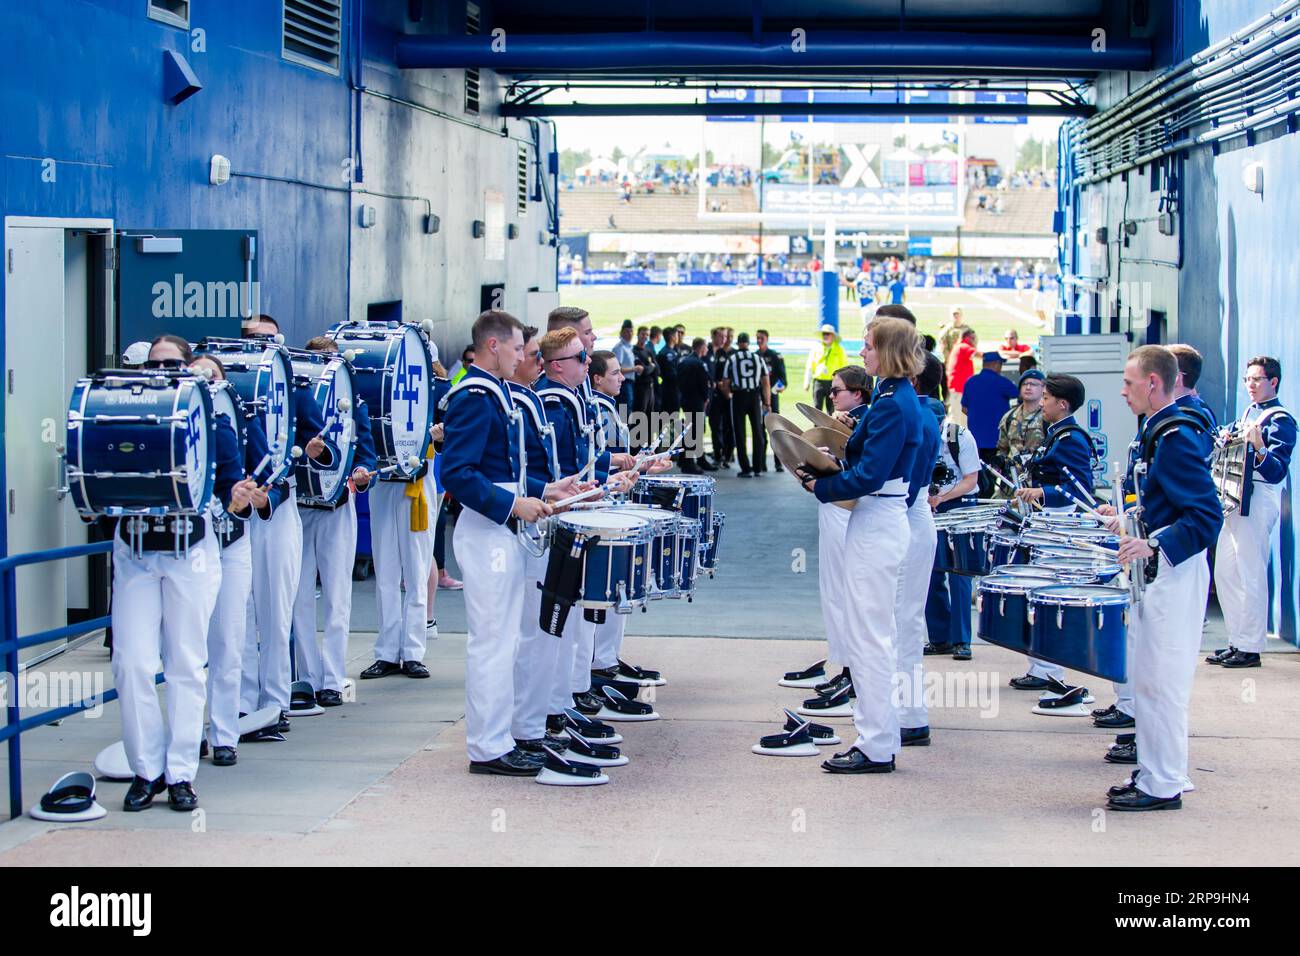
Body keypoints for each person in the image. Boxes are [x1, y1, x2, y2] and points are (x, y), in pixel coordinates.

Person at [113, 336, 253, 811]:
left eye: (172, 362)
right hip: (135, 546)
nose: (163, 369)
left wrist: (235, 495)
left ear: (188, 365)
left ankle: (180, 773)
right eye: (155, 363)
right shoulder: (124, 410)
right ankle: (145, 768)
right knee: (131, 662)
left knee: (186, 662)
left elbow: (230, 476)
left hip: (190, 546)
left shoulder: (211, 414)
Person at [441, 311, 575, 776]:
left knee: (505, 641)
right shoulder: (474, 395)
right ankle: (487, 747)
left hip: (499, 525)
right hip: (486, 529)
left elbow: (505, 470)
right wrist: (513, 505)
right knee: (492, 643)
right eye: (518, 348)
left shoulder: (493, 393)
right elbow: (456, 473)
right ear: (493, 346)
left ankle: (500, 737)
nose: (524, 357)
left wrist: (543, 490)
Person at [1101, 346, 1222, 811]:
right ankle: (1153, 771)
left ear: (1154, 383)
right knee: (1150, 678)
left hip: (1176, 571)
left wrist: (1154, 543)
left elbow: (1206, 515)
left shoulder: (1176, 436)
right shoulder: (1158, 431)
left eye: (1129, 383)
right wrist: (1132, 519)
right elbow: (1164, 501)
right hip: (1162, 570)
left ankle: (1165, 782)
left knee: (1162, 682)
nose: (1123, 391)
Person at [804, 318, 923, 774]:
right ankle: (878, 736)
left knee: (869, 636)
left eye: (870, 346)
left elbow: (871, 474)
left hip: (877, 515)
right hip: (876, 515)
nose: (863, 351)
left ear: (888, 352)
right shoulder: (892, 397)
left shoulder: (893, 404)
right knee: (869, 632)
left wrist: (822, 486)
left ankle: (875, 744)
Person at [240, 315, 336, 734]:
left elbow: (322, 441)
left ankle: (274, 703)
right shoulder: (230, 386)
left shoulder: (293, 384)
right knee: (238, 614)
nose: (258, 344)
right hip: (237, 509)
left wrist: (316, 449)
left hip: (278, 508)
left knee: (277, 610)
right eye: (249, 338)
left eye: (266, 338)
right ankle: (242, 705)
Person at [537, 328, 638, 715]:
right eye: (583, 353)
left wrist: (606, 479)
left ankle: (569, 697)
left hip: (573, 509)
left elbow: (579, 463)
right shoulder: (552, 402)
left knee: (574, 622)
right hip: (553, 520)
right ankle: (552, 711)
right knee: (551, 628)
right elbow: (556, 467)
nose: (589, 355)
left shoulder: (570, 401)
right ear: (560, 365)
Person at [506, 325, 587, 754]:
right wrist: (540, 493)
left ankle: (549, 711)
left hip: (542, 514)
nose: (588, 361)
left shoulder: (528, 400)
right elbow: (493, 472)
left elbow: (561, 466)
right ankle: (526, 725)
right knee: (530, 633)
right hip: (519, 524)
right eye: (529, 354)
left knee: (556, 627)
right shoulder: (535, 400)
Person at [195, 353, 276, 768]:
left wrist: (256, 498)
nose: (207, 380)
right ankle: (189, 734)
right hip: (190, 550)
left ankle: (223, 732)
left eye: (213, 374)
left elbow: (267, 476)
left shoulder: (234, 422)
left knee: (228, 640)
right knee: (188, 648)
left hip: (231, 544)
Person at [292, 336, 377, 708]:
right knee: (298, 597)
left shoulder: (353, 401)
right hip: (299, 506)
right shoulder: (297, 398)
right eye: (321, 361)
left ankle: (332, 677)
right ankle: (306, 676)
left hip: (338, 505)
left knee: (337, 596)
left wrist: (363, 470)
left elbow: (367, 448)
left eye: (332, 361)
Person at [1210, 355, 1294, 669]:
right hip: (1235, 496)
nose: (1251, 385)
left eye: (1257, 379)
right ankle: (1237, 640)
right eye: (1248, 379)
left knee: (1251, 571)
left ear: (1273, 381)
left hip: (1257, 497)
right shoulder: (1250, 411)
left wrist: (1258, 448)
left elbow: (1275, 471)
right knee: (1226, 572)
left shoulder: (1281, 419)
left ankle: (1250, 646)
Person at [803, 366, 872, 710]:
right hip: (843, 507)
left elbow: (860, 469)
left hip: (844, 508)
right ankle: (847, 666)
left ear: (857, 393)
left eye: (837, 390)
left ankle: (851, 671)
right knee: (838, 593)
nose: (832, 396)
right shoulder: (856, 417)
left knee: (840, 593)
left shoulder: (859, 419)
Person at [895, 353, 944, 745]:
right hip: (915, 515)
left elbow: (906, 487)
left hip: (909, 515)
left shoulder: (919, 417)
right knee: (902, 620)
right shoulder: (926, 413)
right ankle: (905, 711)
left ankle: (910, 715)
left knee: (903, 621)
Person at [923, 404, 981, 661]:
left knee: (960, 574)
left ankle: (962, 640)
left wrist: (943, 496)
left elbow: (971, 479)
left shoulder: (960, 436)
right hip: (930, 506)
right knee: (931, 572)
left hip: (961, 504)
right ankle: (939, 637)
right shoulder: (920, 434)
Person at [1013, 374, 1095, 511]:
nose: (1040, 403)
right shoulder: (1056, 433)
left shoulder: (1070, 439)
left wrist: (1041, 493)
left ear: (1062, 404)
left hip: (1061, 520)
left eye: (1045, 398)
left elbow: (1080, 490)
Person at [719, 332, 771, 477]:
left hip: (739, 396)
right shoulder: (757, 358)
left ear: (738, 343)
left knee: (740, 433)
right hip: (754, 396)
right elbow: (766, 382)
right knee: (758, 432)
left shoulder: (732, 358)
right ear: (748, 343)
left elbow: (725, 382)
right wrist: (767, 402)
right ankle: (758, 467)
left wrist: (728, 395)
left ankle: (746, 468)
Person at [961, 351, 1019, 466]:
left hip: (975, 439)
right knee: (995, 472)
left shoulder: (970, 382)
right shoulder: (1002, 382)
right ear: (996, 364)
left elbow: (964, 409)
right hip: (996, 438)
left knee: (978, 472)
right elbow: (1019, 394)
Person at [995, 369, 1046, 491]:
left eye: (1033, 384)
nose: (1028, 387)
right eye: (1024, 384)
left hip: (1038, 484)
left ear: (1044, 389)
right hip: (1012, 483)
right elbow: (1002, 449)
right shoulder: (1009, 417)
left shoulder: (1047, 416)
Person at [678, 337, 715, 474]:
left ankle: (688, 460)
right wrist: (706, 398)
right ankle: (690, 463)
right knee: (696, 432)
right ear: (701, 347)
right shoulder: (700, 364)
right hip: (697, 401)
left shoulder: (683, 361)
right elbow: (704, 383)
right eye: (705, 347)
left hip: (686, 399)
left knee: (689, 429)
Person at [755, 329, 787, 472]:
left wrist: (772, 393)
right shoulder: (754, 356)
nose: (759, 340)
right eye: (757, 338)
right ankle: (761, 463)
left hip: (771, 400)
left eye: (762, 338)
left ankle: (778, 462)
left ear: (767, 339)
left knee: (774, 430)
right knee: (759, 431)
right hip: (757, 400)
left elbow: (783, 380)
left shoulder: (774, 356)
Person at [707, 327, 735, 467]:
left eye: (725, 336)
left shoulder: (729, 353)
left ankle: (727, 454)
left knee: (728, 426)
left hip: (727, 395)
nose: (724, 339)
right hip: (715, 395)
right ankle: (718, 453)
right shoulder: (709, 351)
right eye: (722, 336)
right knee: (715, 425)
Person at [804, 324, 848, 413]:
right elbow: (810, 366)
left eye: (828, 334)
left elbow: (844, 367)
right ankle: (816, 426)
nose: (825, 336)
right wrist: (807, 382)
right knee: (817, 408)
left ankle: (829, 427)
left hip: (832, 383)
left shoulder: (839, 349)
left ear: (833, 336)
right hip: (818, 382)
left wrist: (844, 384)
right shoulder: (816, 348)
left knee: (831, 408)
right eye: (824, 334)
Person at [945, 328, 979, 426]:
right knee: (955, 416)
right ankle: (951, 439)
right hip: (958, 387)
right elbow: (979, 354)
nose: (975, 340)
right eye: (973, 338)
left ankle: (956, 438)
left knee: (961, 415)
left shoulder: (959, 347)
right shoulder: (963, 346)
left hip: (960, 387)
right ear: (967, 338)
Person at [613, 320, 640, 412]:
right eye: (627, 331)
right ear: (622, 332)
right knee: (625, 408)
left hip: (630, 382)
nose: (630, 334)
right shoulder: (620, 347)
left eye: (631, 331)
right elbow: (617, 369)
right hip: (624, 382)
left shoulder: (629, 347)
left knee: (629, 407)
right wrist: (634, 369)